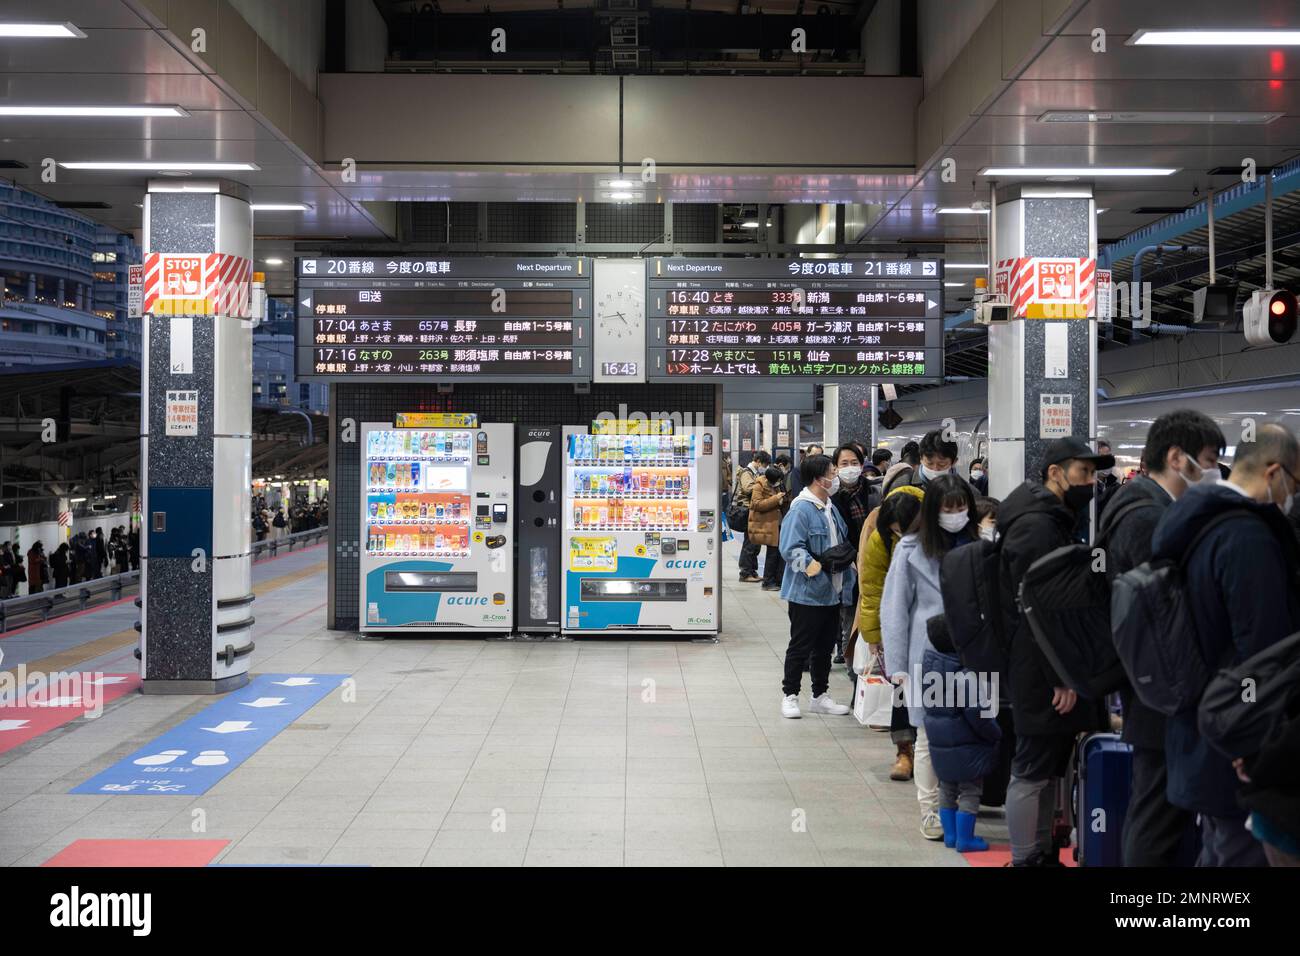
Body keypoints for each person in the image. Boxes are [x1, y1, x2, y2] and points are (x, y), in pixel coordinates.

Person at [1150, 422, 1300, 867]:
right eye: (1296, 482)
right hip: (1236, 744)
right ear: (1274, 473)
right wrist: (1258, 749)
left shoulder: (1193, 522)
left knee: (1217, 851)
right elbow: (1264, 653)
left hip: (1200, 727)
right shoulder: (1248, 537)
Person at [1100, 409, 1224, 867]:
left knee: (1158, 806)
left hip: (1149, 680)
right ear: (1177, 457)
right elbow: (1168, 609)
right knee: (1158, 811)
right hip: (1160, 688)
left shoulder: (1133, 503)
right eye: (1208, 459)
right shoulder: (1150, 517)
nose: (1213, 471)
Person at [999, 437, 1112, 866]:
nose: (1092, 482)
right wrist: (1059, 676)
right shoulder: (1037, 526)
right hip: (1040, 668)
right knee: (1032, 766)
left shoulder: (1051, 518)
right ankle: (1025, 857)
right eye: (1084, 473)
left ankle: (1041, 852)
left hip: (1045, 663)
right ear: (1054, 473)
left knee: (1047, 766)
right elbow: (1039, 610)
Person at [881, 474, 981, 839]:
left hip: (974, 652)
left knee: (972, 731)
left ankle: (963, 807)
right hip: (927, 653)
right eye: (947, 508)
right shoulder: (909, 550)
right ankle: (930, 809)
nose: (955, 514)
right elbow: (894, 610)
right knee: (928, 735)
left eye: (961, 507)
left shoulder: (980, 545)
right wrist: (897, 667)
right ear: (932, 510)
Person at [855, 485, 926, 779]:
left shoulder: (940, 533)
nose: (900, 537)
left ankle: (929, 753)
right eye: (895, 531)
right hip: (901, 627)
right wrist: (873, 636)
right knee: (901, 687)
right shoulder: (880, 540)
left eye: (905, 531)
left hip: (937, 628)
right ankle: (904, 752)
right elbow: (872, 590)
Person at [778, 453, 853, 719]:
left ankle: (820, 695)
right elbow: (790, 549)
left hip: (833, 593)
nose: (836, 476)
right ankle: (790, 695)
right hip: (807, 593)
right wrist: (817, 568)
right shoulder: (801, 509)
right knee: (800, 646)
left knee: (824, 648)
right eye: (833, 472)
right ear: (819, 479)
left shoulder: (829, 507)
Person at [923, 615, 1001, 852]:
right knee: (970, 789)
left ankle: (950, 836)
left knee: (946, 787)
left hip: (940, 742)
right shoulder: (964, 675)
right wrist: (994, 733)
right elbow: (977, 712)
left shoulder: (929, 669)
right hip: (967, 743)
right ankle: (965, 839)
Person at [830, 443, 879, 662]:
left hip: (873, 563)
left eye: (854, 463)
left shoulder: (875, 493)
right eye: (844, 464)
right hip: (846, 565)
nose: (850, 468)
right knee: (848, 614)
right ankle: (848, 656)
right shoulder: (830, 498)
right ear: (835, 467)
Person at [748, 465, 786, 592]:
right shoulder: (759, 485)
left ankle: (778, 580)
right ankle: (768, 581)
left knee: (780, 553)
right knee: (772, 553)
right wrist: (776, 498)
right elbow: (756, 504)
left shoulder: (777, 485)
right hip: (768, 524)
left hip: (778, 523)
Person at [735, 451, 771, 582]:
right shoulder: (746, 472)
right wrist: (762, 485)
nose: (765, 467)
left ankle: (753, 571)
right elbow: (748, 488)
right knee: (749, 542)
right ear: (759, 461)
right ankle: (745, 573)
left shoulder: (756, 473)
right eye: (764, 464)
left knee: (755, 542)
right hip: (746, 510)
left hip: (753, 510)